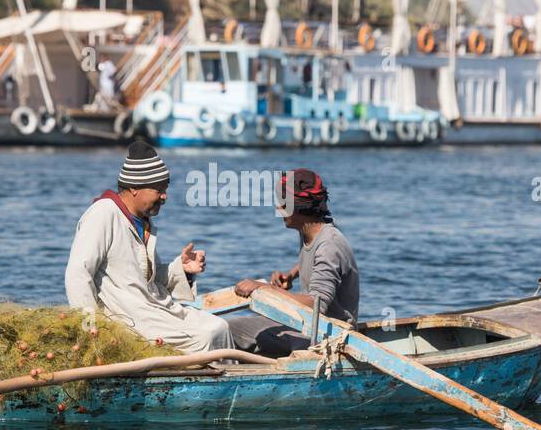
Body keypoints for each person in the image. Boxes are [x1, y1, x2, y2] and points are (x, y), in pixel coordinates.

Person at [65, 141, 233, 354]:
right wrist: (90, 327)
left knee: (220, 327)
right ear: (134, 188)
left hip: (156, 311)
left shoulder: (142, 222)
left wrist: (181, 269)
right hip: (130, 320)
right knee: (203, 339)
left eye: (165, 189)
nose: (165, 197)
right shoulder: (103, 213)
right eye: (159, 190)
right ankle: (213, 386)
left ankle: (237, 385)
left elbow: (148, 279)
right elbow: (78, 273)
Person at [227, 169, 359, 356]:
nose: (279, 209)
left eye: (282, 204)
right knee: (230, 326)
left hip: (328, 338)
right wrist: (292, 274)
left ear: (299, 207)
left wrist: (264, 288)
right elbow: (317, 260)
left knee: (228, 331)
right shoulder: (311, 230)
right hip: (307, 326)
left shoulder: (329, 245)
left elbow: (316, 305)